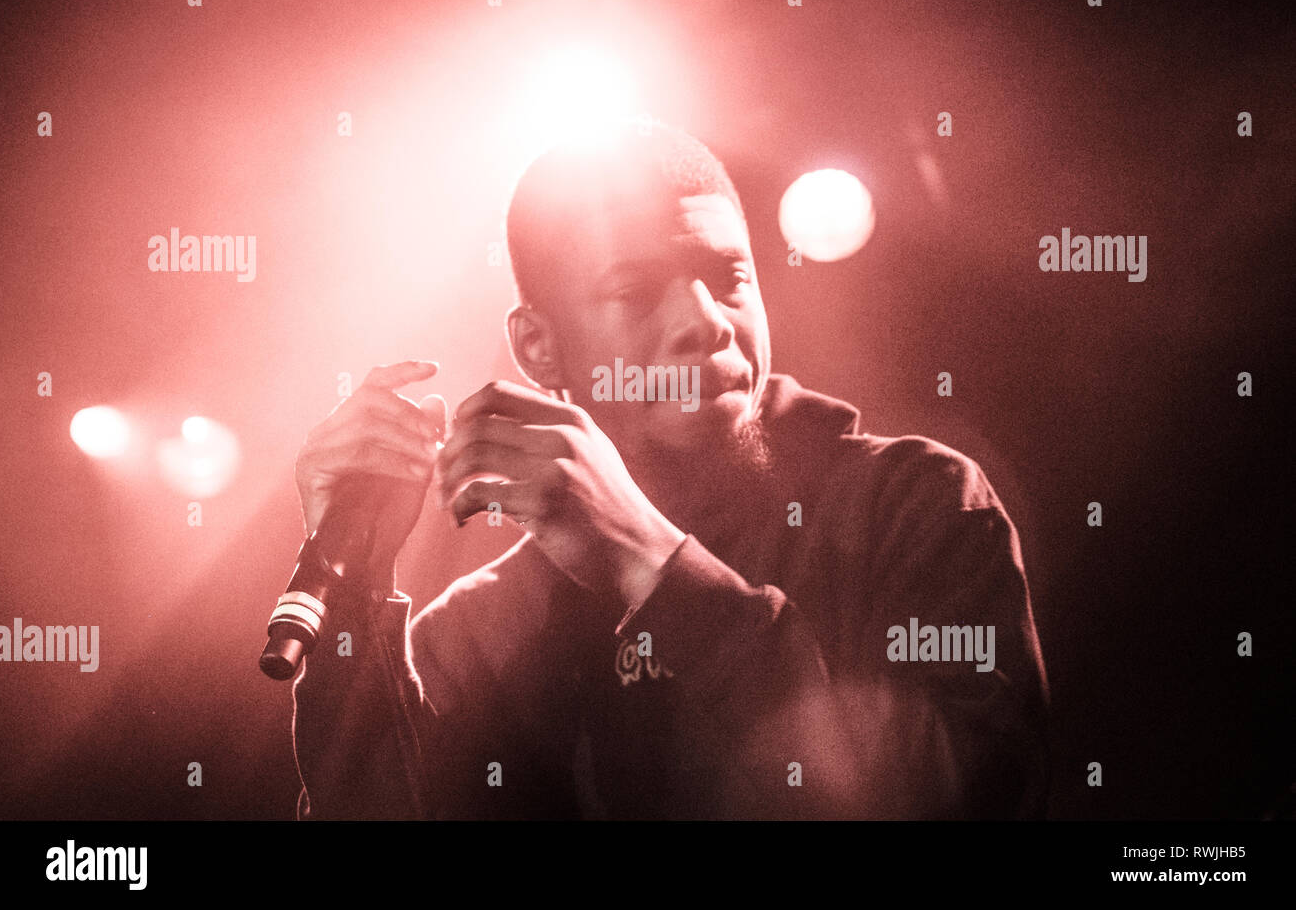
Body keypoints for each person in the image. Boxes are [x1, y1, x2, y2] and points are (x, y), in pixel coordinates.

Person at [289, 121, 1050, 819]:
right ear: (538, 347)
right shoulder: (476, 629)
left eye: (729, 277)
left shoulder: (915, 506)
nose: (707, 322)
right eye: (635, 291)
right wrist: (353, 596)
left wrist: (649, 562)